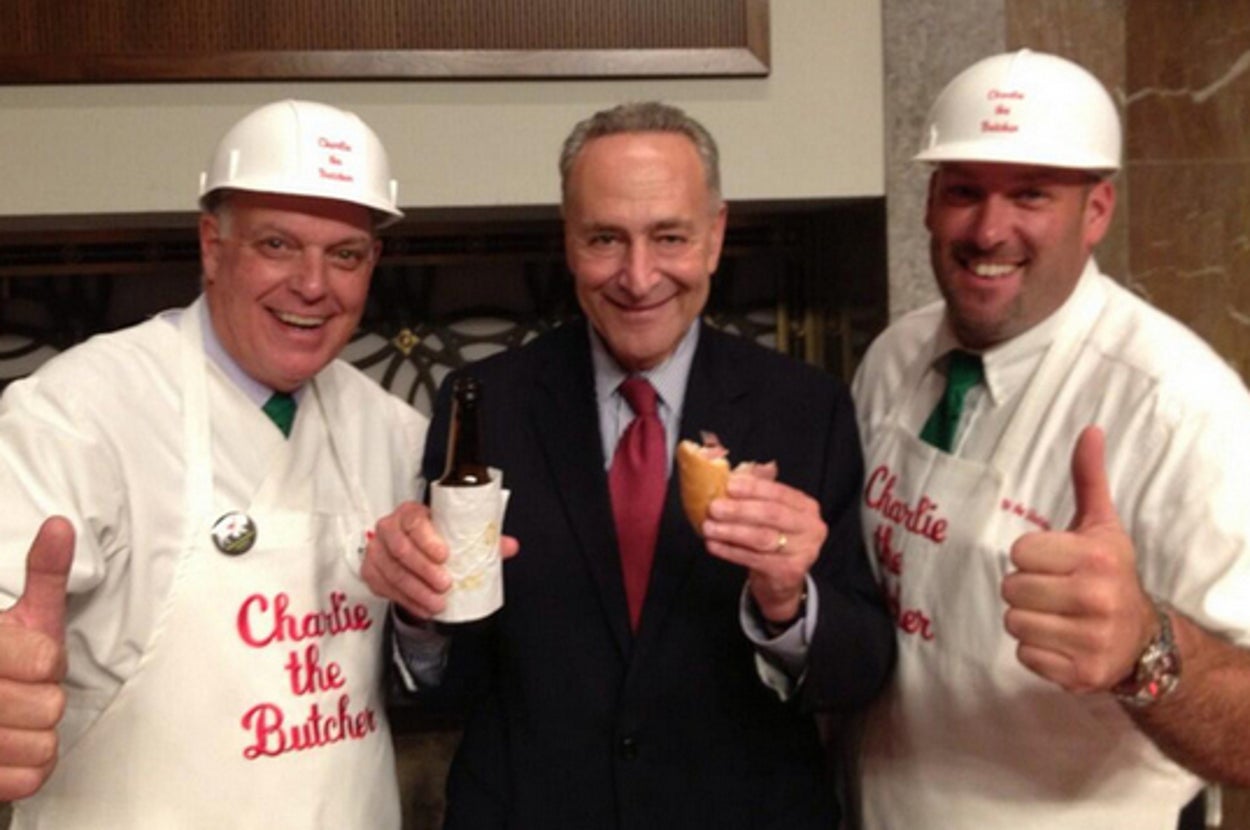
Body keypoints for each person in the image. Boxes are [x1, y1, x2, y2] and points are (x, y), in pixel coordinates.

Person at [362, 101, 895, 828]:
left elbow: (861, 668)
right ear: (569, 242)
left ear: (714, 237)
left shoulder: (807, 407)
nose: (638, 277)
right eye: (606, 239)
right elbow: (451, 679)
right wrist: (420, 611)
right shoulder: (484, 403)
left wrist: (787, 602)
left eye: (669, 236)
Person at [0, 99, 429, 827]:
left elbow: (426, 667)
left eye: (345, 255)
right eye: (277, 245)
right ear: (210, 245)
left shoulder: (395, 432)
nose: (313, 286)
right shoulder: (76, 411)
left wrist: (427, 621)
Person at [852, 49, 1250, 829]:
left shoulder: (1182, 410)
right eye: (964, 191)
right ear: (930, 202)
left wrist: (1146, 650)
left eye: (1030, 194)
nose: (988, 229)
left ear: (1096, 211)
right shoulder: (893, 358)